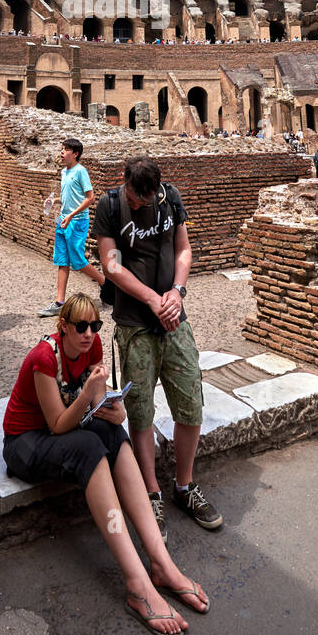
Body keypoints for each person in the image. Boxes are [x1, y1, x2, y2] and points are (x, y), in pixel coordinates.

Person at [3, 292, 209, 635]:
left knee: (112, 434)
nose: (88, 333)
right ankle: (137, 583)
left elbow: (99, 404)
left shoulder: (93, 347)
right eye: (80, 326)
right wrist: (88, 396)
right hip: (26, 442)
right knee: (88, 446)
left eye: (94, 325)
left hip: (61, 430)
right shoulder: (44, 357)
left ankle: (162, 564)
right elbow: (56, 424)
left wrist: (114, 408)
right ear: (63, 326)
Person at [94, 157, 222, 543]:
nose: (138, 205)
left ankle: (184, 486)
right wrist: (153, 299)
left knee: (190, 403)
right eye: (134, 198)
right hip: (135, 324)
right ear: (126, 184)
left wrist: (177, 294)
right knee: (141, 411)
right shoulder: (111, 205)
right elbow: (110, 263)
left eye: (144, 200)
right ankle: (152, 491)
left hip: (174, 319)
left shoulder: (170, 198)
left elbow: (183, 249)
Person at [39, 137, 106, 319]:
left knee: (77, 261)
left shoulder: (80, 171)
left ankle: (106, 283)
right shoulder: (64, 172)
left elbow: (90, 198)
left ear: (75, 154)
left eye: (65, 149)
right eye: (62, 149)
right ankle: (60, 302)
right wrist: (54, 201)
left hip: (77, 221)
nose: (61, 152)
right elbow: (69, 197)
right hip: (63, 219)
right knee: (62, 260)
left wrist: (71, 215)